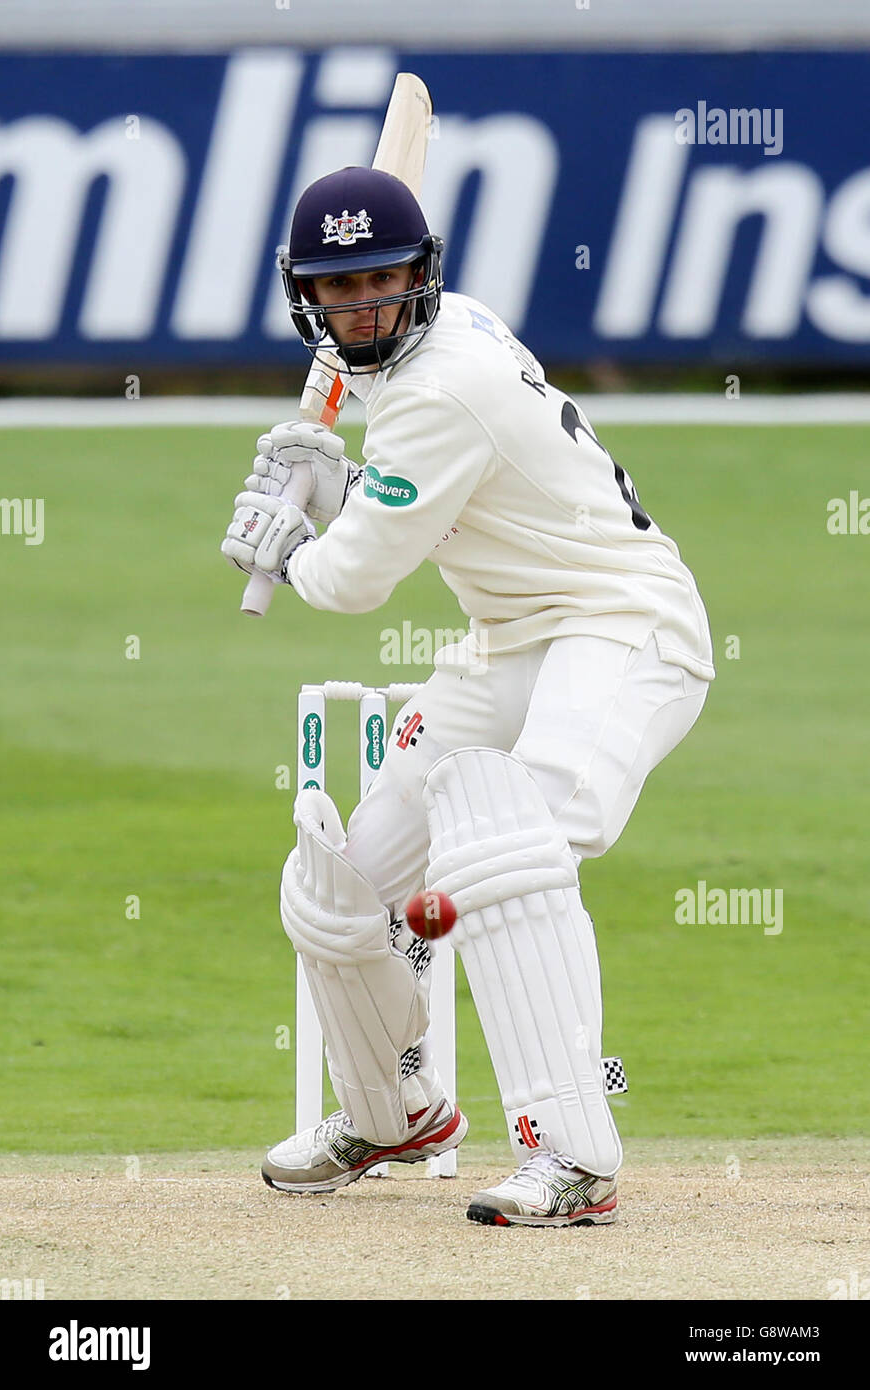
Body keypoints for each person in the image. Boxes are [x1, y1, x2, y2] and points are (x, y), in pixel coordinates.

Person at [221, 166, 715, 1227]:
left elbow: (354, 580)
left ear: (422, 276)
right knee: (340, 882)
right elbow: (428, 500)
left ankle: (573, 1153)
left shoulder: (442, 386)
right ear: (303, 292)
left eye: (381, 282)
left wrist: (289, 539)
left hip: (623, 626)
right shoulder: (435, 357)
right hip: (513, 635)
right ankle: (388, 1110)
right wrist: (338, 486)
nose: (361, 308)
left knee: (508, 845)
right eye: (336, 289)